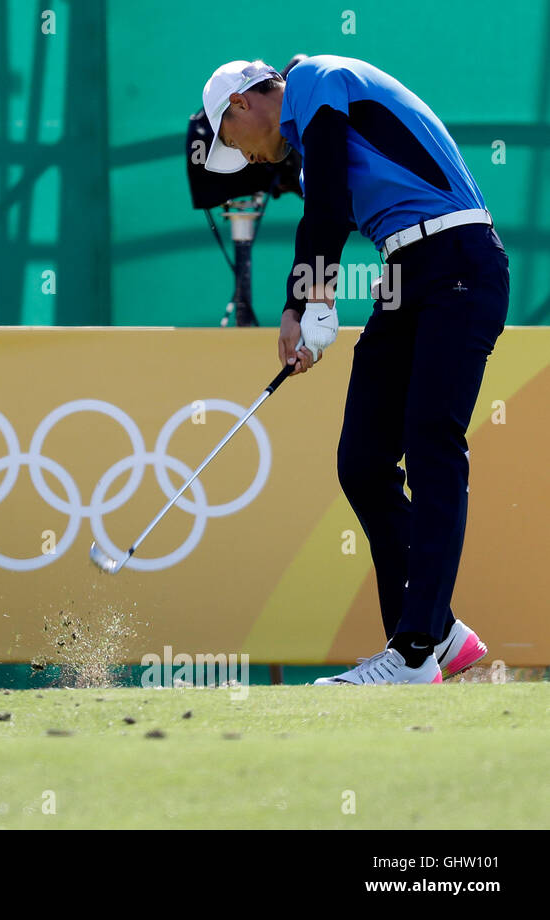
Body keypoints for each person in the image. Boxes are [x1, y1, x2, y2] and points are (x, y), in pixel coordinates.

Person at [200, 55, 508, 684]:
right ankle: (433, 635)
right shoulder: (314, 155)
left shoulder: (314, 78)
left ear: (240, 105)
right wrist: (310, 307)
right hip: (406, 274)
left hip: (459, 258)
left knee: (430, 441)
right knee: (363, 462)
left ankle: (416, 646)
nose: (250, 160)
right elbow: (331, 215)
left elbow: (334, 208)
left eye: (235, 144)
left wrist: (305, 300)